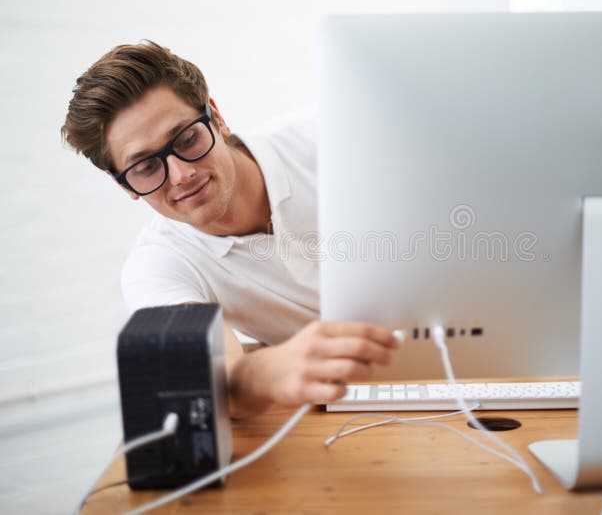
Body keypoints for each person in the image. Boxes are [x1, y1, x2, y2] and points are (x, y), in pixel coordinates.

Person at [61, 41, 401, 418]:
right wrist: (264, 374)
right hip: (367, 409)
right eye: (145, 168)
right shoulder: (159, 266)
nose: (182, 174)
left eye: (187, 138)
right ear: (124, 185)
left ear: (217, 118)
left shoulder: (330, 137)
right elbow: (208, 382)